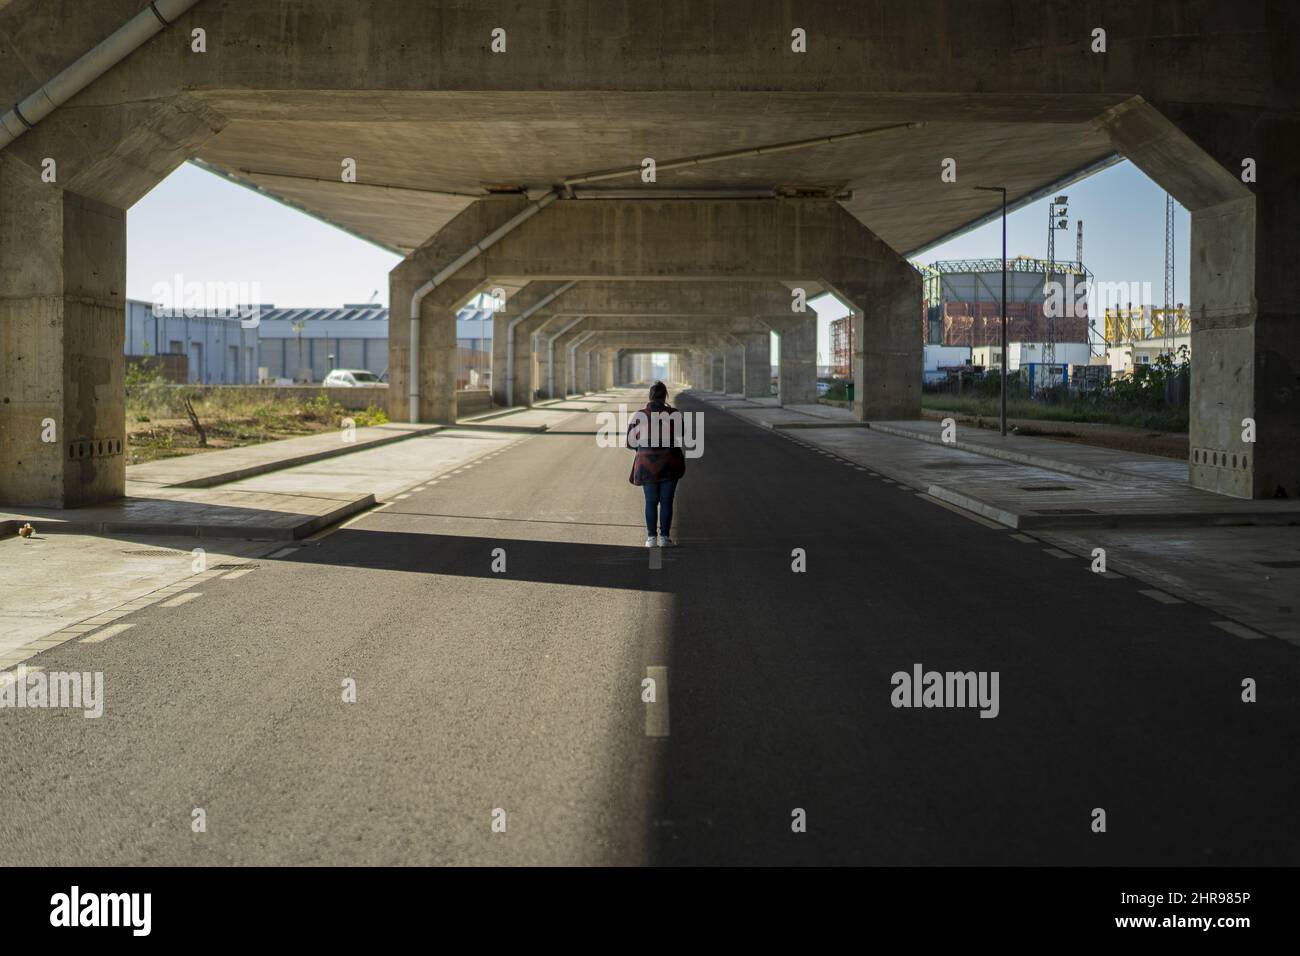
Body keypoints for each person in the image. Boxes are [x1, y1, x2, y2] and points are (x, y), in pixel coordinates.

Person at [627, 381, 686, 547]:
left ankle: (651, 538)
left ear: (650, 396)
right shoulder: (673, 414)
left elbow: (630, 442)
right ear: (665, 396)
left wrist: (644, 449)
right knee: (667, 501)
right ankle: (665, 537)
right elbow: (682, 435)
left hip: (646, 464)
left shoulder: (640, 415)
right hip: (670, 463)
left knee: (651, 501)